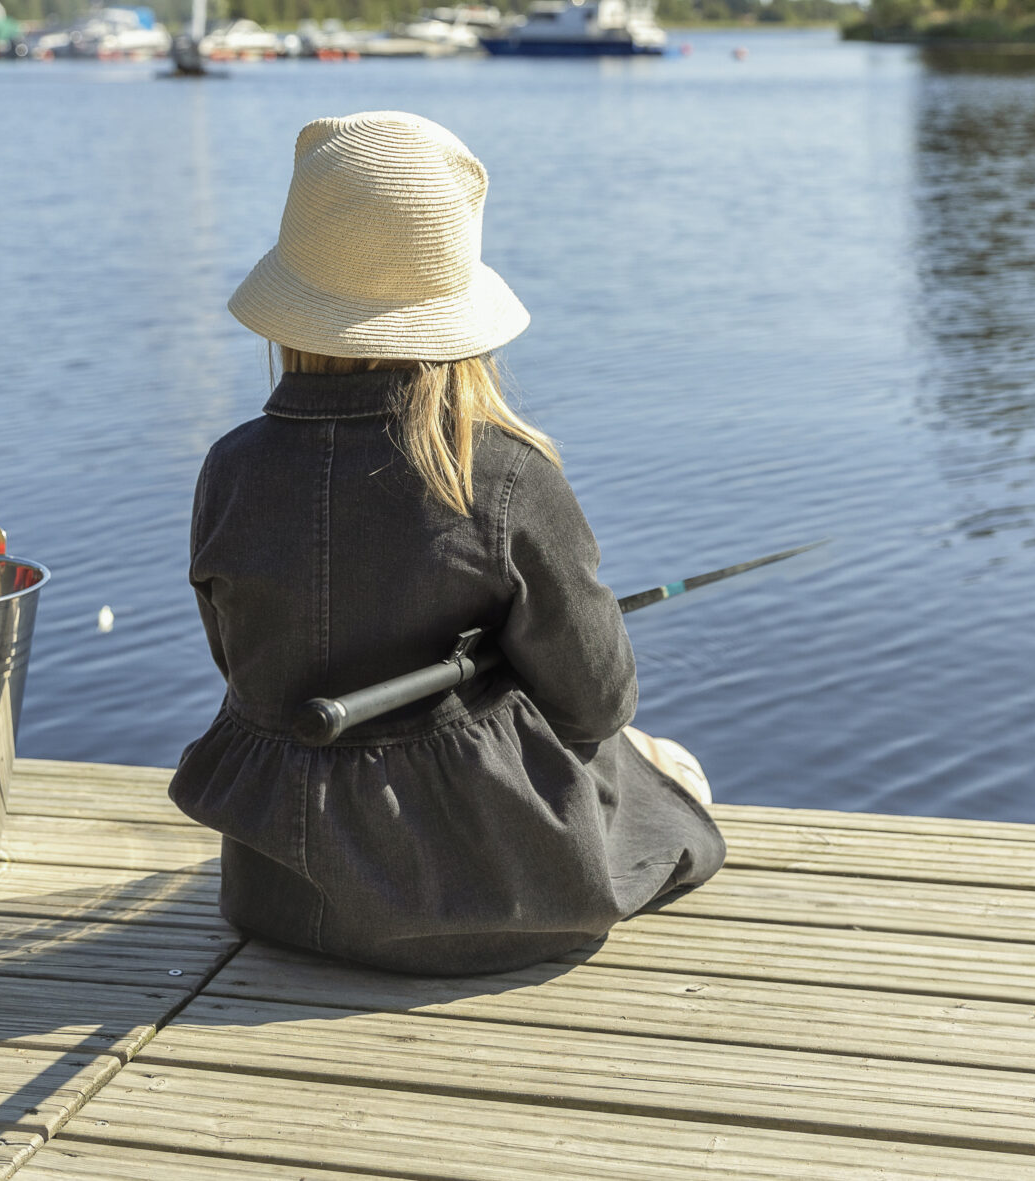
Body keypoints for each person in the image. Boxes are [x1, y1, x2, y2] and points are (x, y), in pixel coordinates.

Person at [169, 110, 725, 976]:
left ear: (295, 303)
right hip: (489, 896)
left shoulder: (230, 470)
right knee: (669, 772)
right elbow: (596, 702)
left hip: (278, 891)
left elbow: (241, 666)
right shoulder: (504, 476)